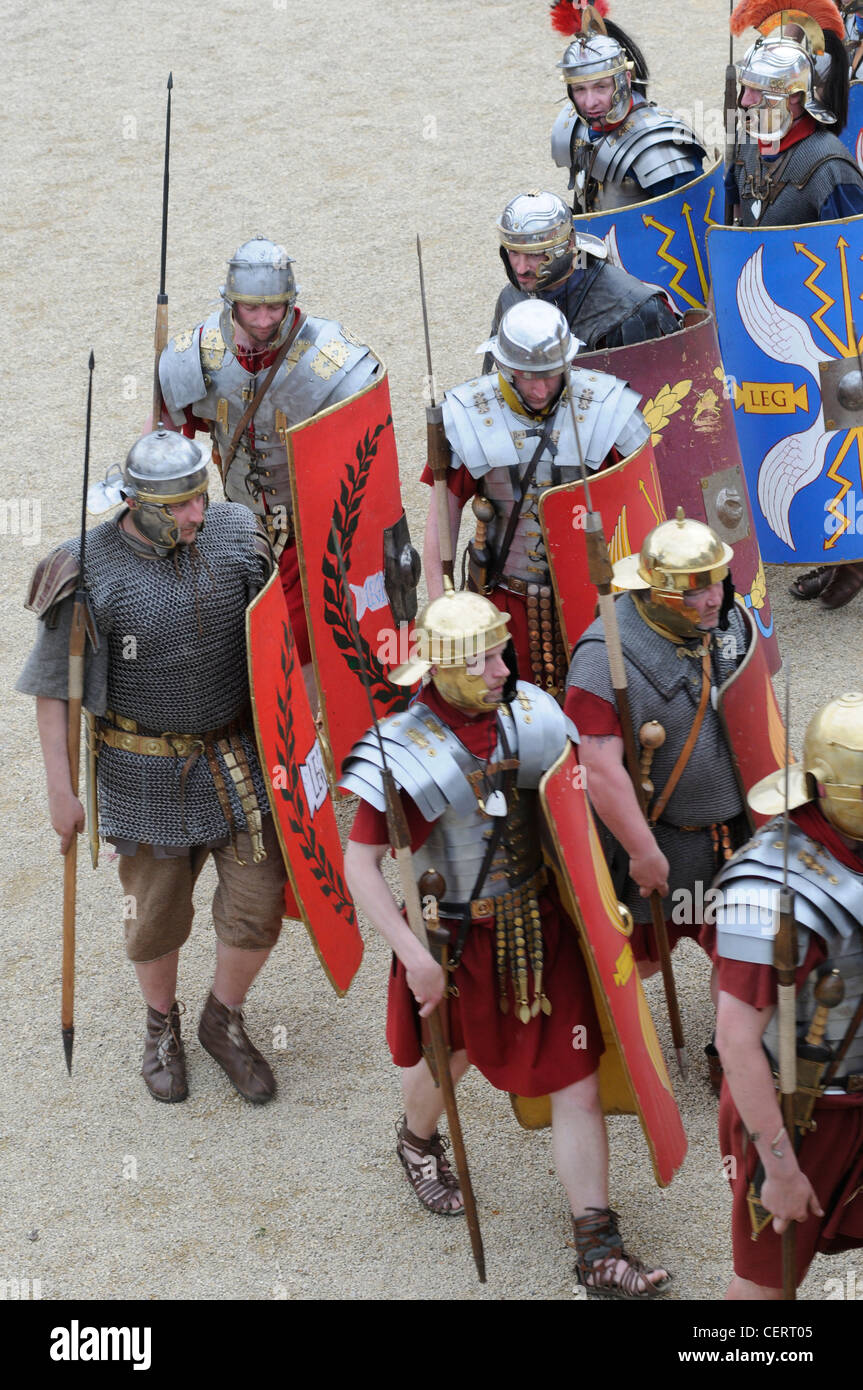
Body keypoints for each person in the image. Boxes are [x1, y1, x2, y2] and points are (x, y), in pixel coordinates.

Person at [342, 586, 670, 1296]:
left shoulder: (531, 715)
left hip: (535, 927)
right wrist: (412, 953)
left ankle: (597, 1247)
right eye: (484, 659)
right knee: (444, 1063)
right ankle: (417, 1142)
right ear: (443, 669)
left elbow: (573, 810)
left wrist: (631, 859)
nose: (501, 668)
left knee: (573, 1079)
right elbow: (358, 865)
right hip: (451, 941)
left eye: (500, 651)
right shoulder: (402, 754)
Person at [17, 430, 287, 1105]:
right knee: (155, 917)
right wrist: (61, 792)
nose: (200, 512)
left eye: (201, 496)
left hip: (236, 758)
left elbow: (278, 642)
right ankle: (160, 1026)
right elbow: (54, 690)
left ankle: (221, 1018)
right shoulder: (86, 572)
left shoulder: (234, 534)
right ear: (137, 504)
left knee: (259, 908)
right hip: (143, 772)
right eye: (183, 505)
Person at [156, 234, 381, 667]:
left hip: (313, 528)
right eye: (251, 308)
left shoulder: (332, 359)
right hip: (237, 524)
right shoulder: (197, 355)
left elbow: (366, 455)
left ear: (290, 301)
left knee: (313, 640)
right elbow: (165, 444)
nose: (262, 320)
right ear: (231, 303)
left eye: (274, 307)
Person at [707, 692, 863, 1299]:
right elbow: (737, 1042)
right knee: (766, 1286)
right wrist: (778, 1167)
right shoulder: (768, 891)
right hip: (802, 1113)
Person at [423, 299, 648, 692]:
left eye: (551, 374)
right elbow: (440, 527)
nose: (541, 388)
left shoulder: (607, 410)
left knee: (597, 701)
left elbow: (642, 505)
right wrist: (442, 616)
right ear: (506, 368)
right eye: (528, 376)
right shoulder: (467, 417)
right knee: (506, 710)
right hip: (504, 601)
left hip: (593, 598)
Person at [564, 511, 750, 979]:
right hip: (658, 841)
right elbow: (599, 769)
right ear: (658, 593)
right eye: (694, 592)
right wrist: (642, 851)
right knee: (635, 963)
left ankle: (730, 1048)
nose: (714, 600)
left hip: (736, 836)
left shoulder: (730, 621)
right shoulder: (603, 658)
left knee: (745, 957)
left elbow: (756, 716)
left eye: (717, 583)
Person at [728, 3, 863, 608]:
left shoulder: (829, 165)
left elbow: (851, 259)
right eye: (746, 95)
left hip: (831, 337)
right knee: (796, 433)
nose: (748, 106)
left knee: (844, 437)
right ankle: (830, 546)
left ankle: (854, 553)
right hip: (774, 341)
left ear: (793, 100)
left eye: (759, 97)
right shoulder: (748, 152)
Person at [483, 190, 680, 369]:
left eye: (534, 254)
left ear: (568, 243)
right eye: (514, 253)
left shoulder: (633, 309)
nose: (520, 268)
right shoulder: (512, 298)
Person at [551, 21, 705, 214]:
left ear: (626, 81)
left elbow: (690, 225)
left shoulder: (660, 147)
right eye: (580, 89)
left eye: (601, 87)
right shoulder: (574, 128)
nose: (590, 103)